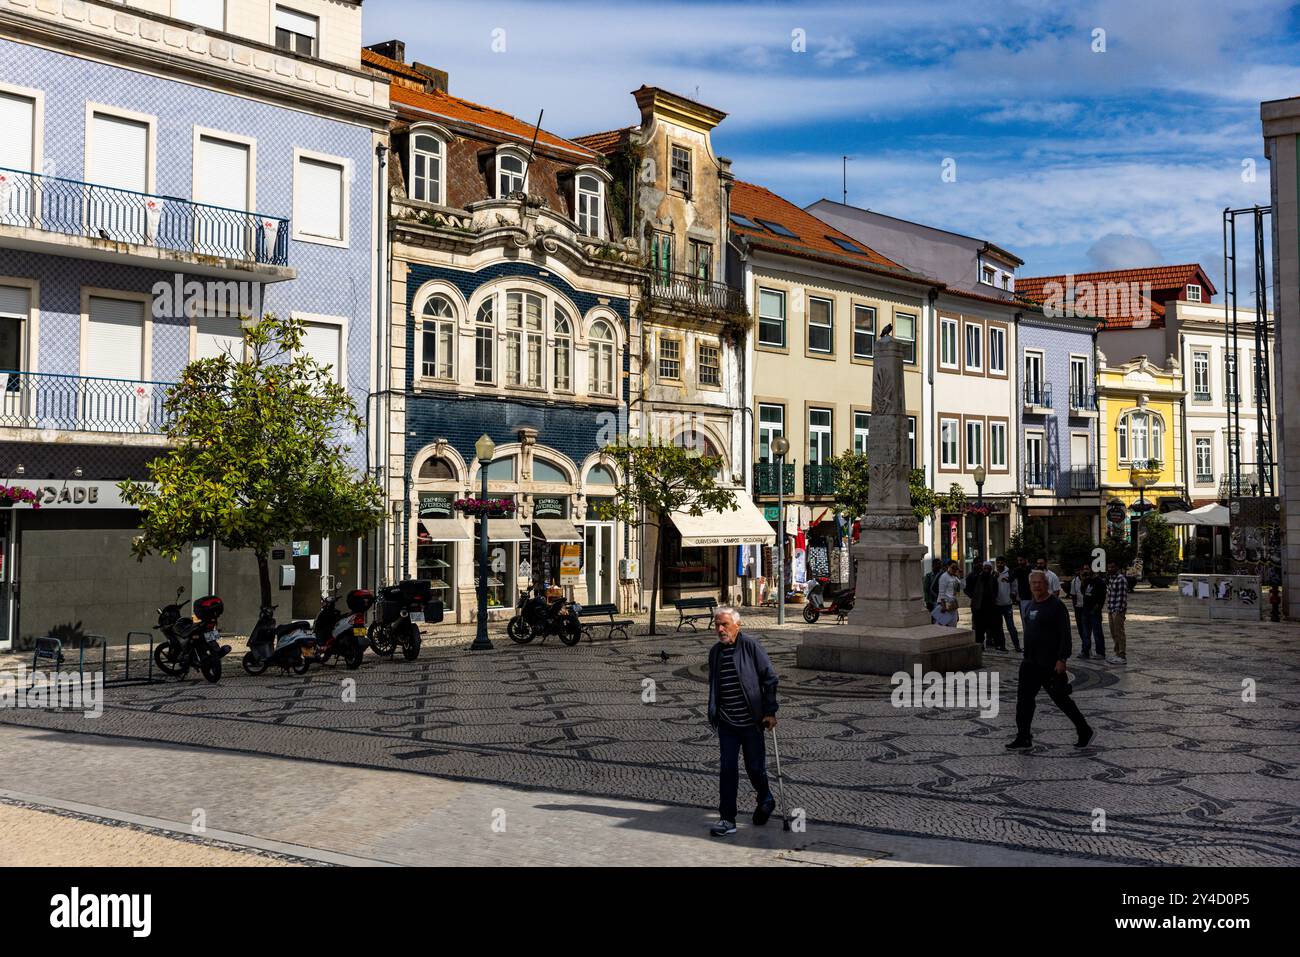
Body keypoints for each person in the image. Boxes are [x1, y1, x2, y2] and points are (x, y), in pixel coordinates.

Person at [706, 607, 778, 837]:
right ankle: (727, 819)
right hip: (727, 723)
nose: (719, 629)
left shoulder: (751, 646)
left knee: (755, 767)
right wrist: (714, 712)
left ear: (737, 625)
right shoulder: (715, 652)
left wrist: (770, 711)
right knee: (728, 769)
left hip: (751, 722)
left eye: (724, 624)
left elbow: (770, 678)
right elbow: (715, 686)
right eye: (717, 624)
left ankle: (765, 798)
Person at [1006, 570, 1094, 750]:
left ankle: (1084, 730)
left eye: (1040, 582)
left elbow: (1065, 634)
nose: (1036, 586)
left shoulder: (1056, 606)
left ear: (1046, 584)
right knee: (1023, 702)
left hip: (1049, 662)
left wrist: (1062, 659)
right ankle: (1023, 736)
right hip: (1030, 662)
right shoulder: (1030, 605)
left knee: (1062, 700)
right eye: (1033, 583)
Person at [1080, 565, 1107, 659]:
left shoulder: (1100, 582)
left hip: (1094, 611)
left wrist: (1096, 609)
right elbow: (1083, 592)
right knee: (1085, 633)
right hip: (1085, 610)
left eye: (1087, 569)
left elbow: (1102, 598)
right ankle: (1085, 651)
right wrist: (1083, 580)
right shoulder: (1087, 581)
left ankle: (1100, 652)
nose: (1085, 571)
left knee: (1097, 633)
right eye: (1084, 569)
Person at [995, 557, 1021, 653]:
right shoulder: (994, 573)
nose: (1000, 564)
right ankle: (1002, 645)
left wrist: (1013, 596)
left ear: (1004, 563)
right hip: (997, 605)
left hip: (1007, 604)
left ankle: (1017, 645)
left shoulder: (1010, 573)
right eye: (998, 563)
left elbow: (1014, 586)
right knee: (999, 627)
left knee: (1011, 626)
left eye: (1002, 563)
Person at [1105, 560, 1128, 665]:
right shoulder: (1111, 579)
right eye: (1109, 567)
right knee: (1113, 632)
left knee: (1119, 632)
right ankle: (1117, 653)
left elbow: (1122, 597)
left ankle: (1122, 655)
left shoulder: (1121, 579)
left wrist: (1118, 611)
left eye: (1112, 567)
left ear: (1117, 567)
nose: (1110, 569)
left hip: (1118, 610)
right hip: (1111, 609)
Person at [932, 560, 962, 627]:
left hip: (953, 605)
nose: (954, 569)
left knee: (953, 625)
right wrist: (943, 606)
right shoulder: (943, 576)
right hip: (945, 605)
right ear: (948, 567)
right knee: (944, 626)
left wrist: (958, 575)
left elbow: (961, 587)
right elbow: (941, 592)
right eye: (953, 567)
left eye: (956, 567)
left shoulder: (954, 577)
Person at [1014, 556, 1034, 626]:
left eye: (1021, 560)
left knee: (1032, 618)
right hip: (1023, 599)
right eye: (1018, 560)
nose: (1019, 562)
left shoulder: (1032, 570)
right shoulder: (1017, 571)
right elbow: (1013, 582)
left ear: (1026, 560)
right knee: (1025, 618)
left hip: (1033, 599)